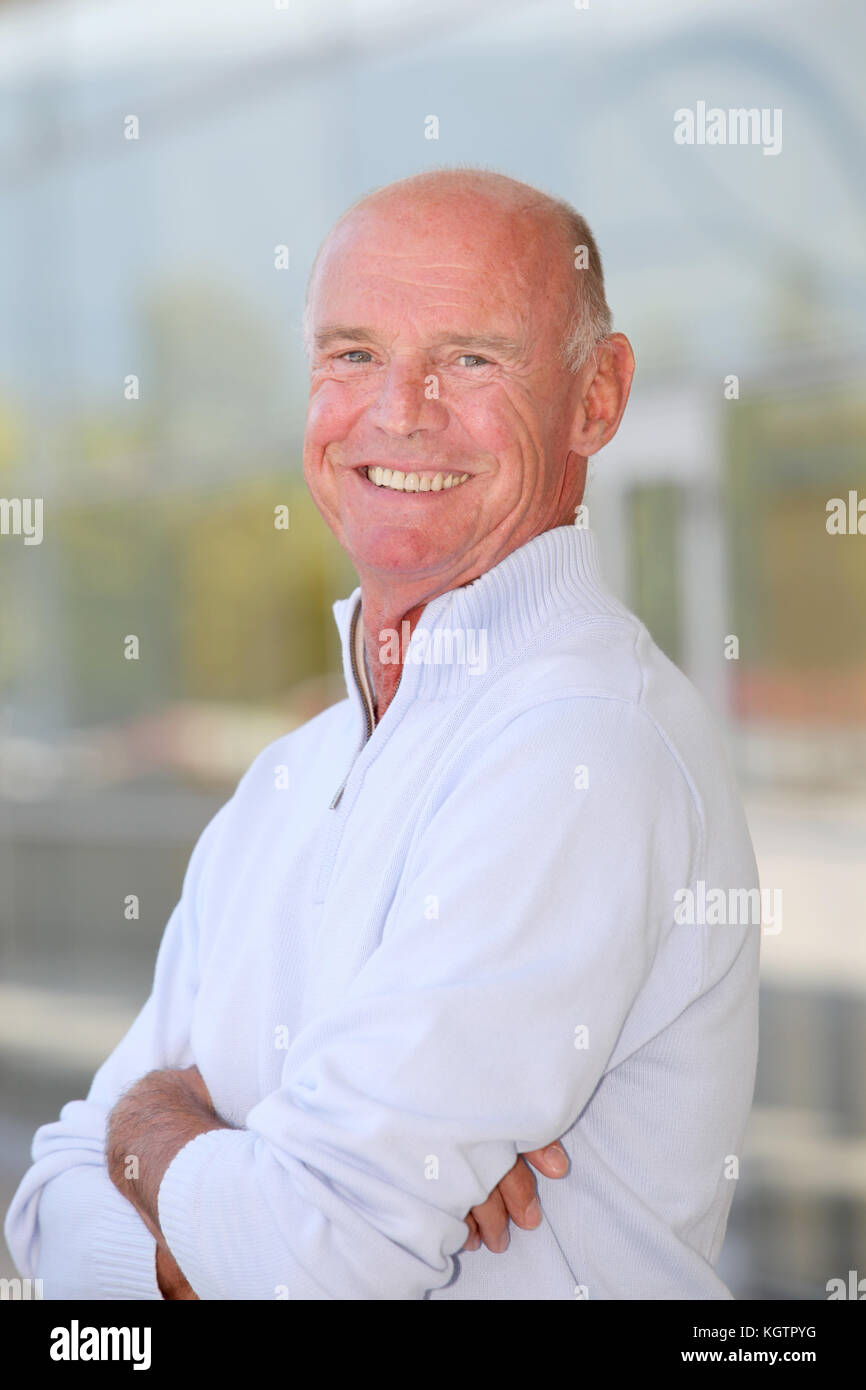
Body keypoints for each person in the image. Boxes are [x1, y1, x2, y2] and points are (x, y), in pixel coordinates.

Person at [5, 167, 760, 1300]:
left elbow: (315, 1266)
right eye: (352, 353)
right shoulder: (286, 780)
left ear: (596, 399)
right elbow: (45, 1207)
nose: (397, 411)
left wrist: (156, 1129)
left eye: (469, 358)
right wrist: (223, 1182)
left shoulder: (582, 745)